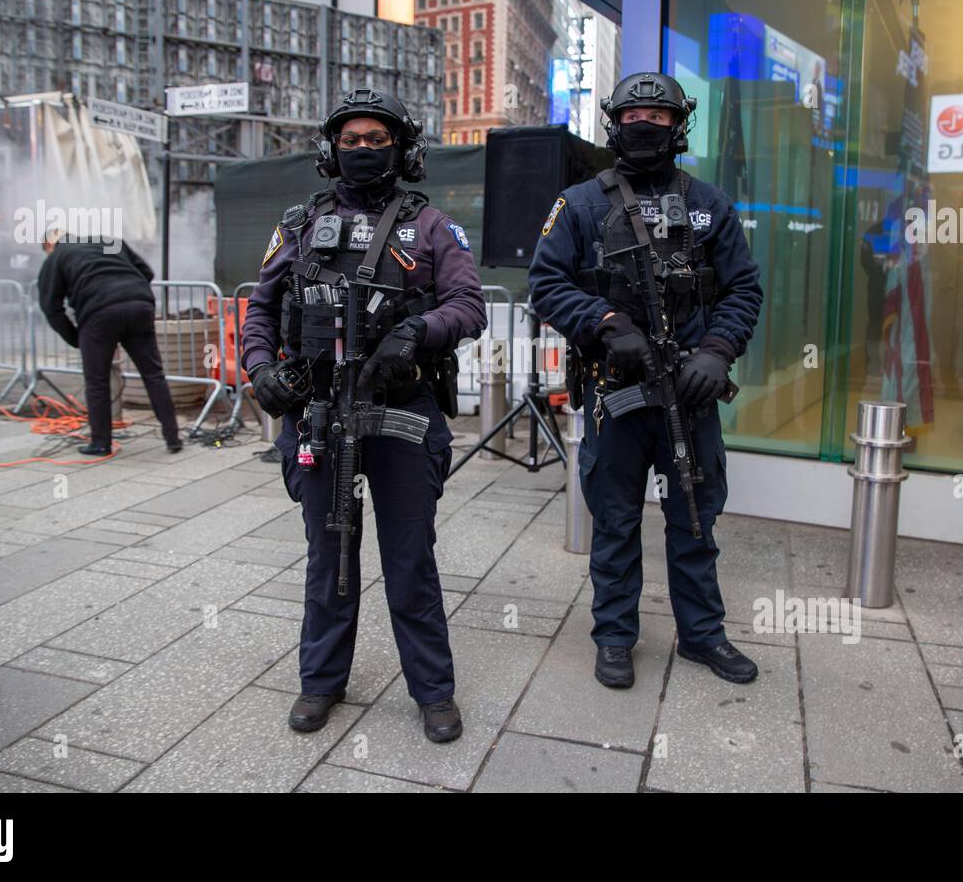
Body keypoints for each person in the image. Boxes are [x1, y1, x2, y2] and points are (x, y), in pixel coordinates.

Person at [241, 88, 486, 742]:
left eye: (376, 139)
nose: (362, 149)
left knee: (410, 561)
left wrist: (421, 332)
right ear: (331, 150)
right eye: (350, 139)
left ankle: (433, 692)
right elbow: (261, 308)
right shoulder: (298, 223)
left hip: (401, 414)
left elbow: (469, 306)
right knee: (329, 556)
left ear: (401, 149)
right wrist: (260, 370)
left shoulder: (430, 225)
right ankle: (320, 683)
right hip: (321, 413)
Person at [528, 72, 764, 690]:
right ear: (615, 122)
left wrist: (717, 349)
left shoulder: (710, 204)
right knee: (614, 518)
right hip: (617, 389)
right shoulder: (579, 203)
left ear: (677, 126)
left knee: (693, 516)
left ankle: (703, 635)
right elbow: (546, 284)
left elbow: (743, 287)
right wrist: (604, 321)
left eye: (659, 118)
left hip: (690, 389)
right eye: (635, 115)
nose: (646, 125)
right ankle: (614, 636)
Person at [36, 227, 182, 455]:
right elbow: (146, 272)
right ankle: (173, 437)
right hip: (139, 305)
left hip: (99, 314)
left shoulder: (57, 257)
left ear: (49, 246)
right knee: (153, 375)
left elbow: (50, 307)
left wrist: (75, 338)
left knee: (97, 381)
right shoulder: (109, 241)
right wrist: (131, 290)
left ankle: (101, 443)